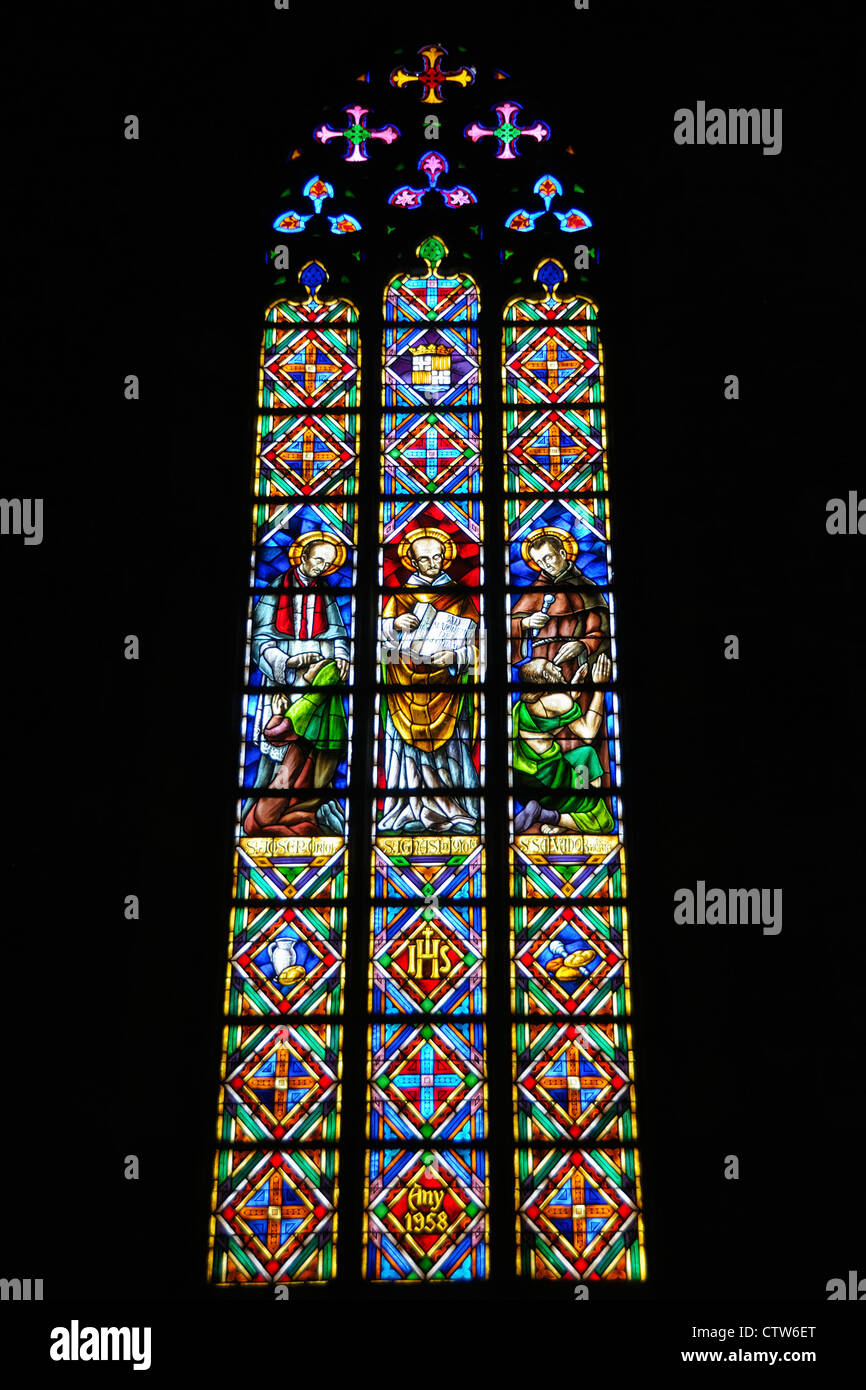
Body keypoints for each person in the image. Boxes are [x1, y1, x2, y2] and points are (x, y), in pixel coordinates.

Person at [245, 534, 350, 834]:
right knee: (272, 757)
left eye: (328, 564)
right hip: (283, 677)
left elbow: (338, 634)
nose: (322, 567)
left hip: (315, 676)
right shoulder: (276, 588)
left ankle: (306, 806)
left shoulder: (324, 591)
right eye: (318, 560)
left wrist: (341, 655)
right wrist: (287, 662)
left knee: (313, 749)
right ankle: (263, 804)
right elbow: (260, 640)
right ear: (302, 557)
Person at [379, 529, 480, 834]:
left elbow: (479, 647)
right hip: (404, 685)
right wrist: (393, 624)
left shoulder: (460, 597)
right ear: (412, 562)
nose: (433, 563)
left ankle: (454, 808)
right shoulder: (400, 597)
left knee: (451, 749)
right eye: (425, 559)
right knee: (406, 752)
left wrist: (455, 657)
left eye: (437, 557)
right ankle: (407, 807)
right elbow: (382, 647)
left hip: (446, 688)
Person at [513, 651, 614, 834]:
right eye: (553, 667)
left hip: (525, 782)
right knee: (603, 821)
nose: (558, 668)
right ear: (545, 677)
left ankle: (564, 815)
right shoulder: (560, 701)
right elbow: (588, 732)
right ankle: (559, 812)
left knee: (584, 756)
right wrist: (600, 688)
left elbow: (554, 721)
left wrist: (574, 690)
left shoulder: (524, 706)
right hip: (549, 781)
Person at [510, 529, 609, 683]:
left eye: (548, 557)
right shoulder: (534, 590)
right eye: (539, 562)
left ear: (563, 553)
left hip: (575, 661)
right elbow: (509, 626)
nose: (545, 565)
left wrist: (583, 645)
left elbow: (601, 629)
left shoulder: (585, 587)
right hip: (541, 663)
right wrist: (525, 623)